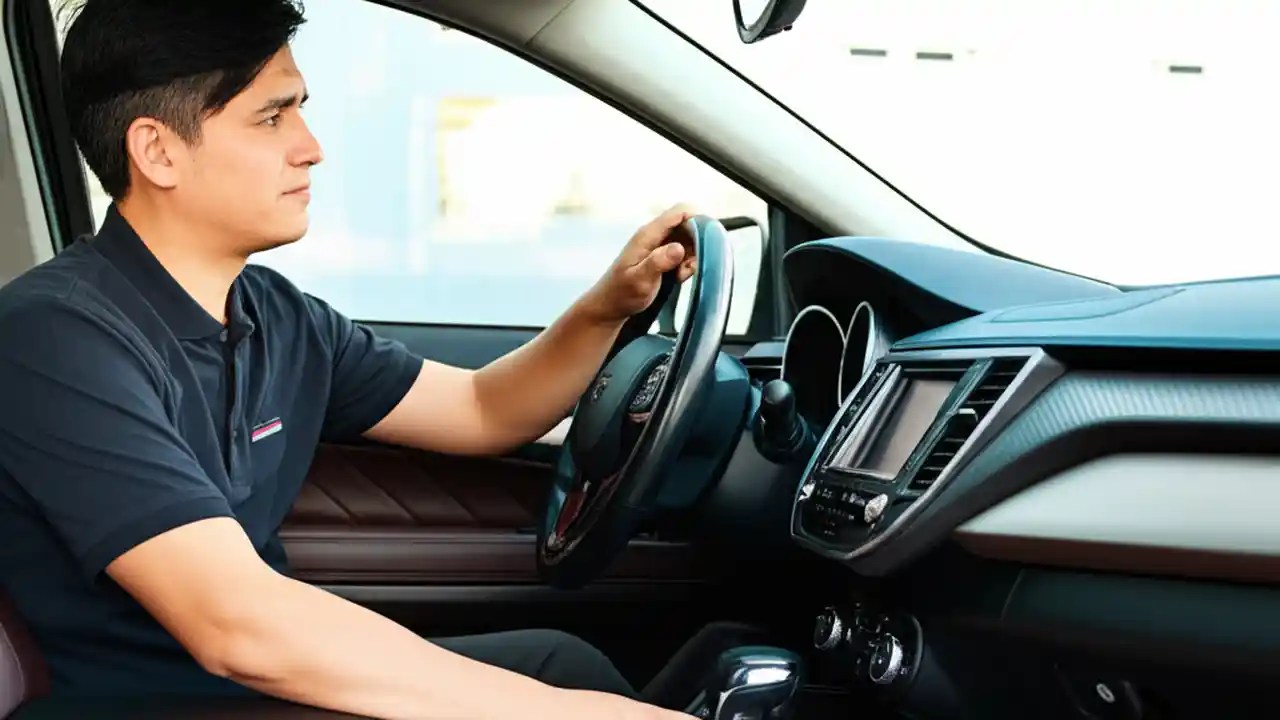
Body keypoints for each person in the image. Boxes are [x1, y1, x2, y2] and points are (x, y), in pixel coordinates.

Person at [0, 0, 706, 718]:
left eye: (301, 110)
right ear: (157, 152)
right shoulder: (55, 340)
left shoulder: (272, 313)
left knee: (565, 665)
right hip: (166, 702)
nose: (310, 147)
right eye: (272, 117)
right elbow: (237, 626)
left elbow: (481, 409)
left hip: (252, 689)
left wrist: (605, 307)